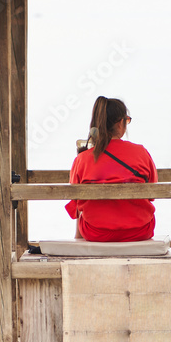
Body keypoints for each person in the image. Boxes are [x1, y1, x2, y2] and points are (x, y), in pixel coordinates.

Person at [65, 96, 158, 242]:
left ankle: (78, 239)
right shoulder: (141, 153)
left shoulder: (82, 159)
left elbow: (75, 203)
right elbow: (152, 193)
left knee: (81, 204)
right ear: (121, 123)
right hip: (140, 231)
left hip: (96, 233)